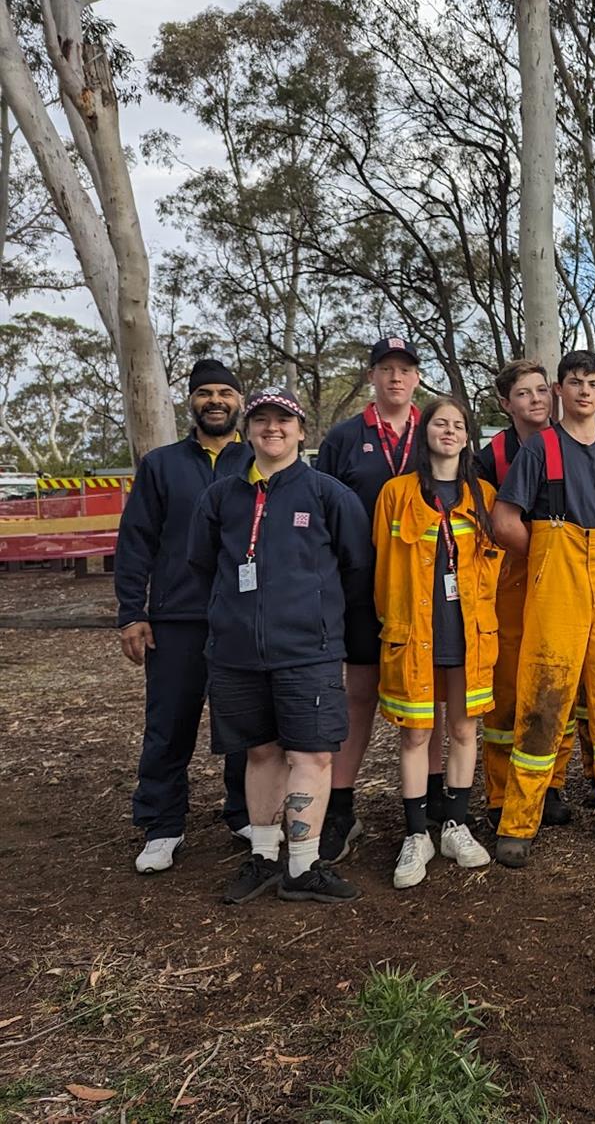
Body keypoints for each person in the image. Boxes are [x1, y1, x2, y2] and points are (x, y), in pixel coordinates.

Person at [189, 387, 370, 905]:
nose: (273, 428)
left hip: (307, 653)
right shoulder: (221, 498)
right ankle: (264, 857)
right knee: (261, 752)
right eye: (262, 419)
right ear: (248, 430)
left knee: (310, 754)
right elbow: (204, 567)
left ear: (301, 430)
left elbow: (356, 569)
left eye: (283, 420)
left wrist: (314, 619)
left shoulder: (328, 495)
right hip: (236, 653)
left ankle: (304, 865)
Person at [489, 350, 595, 862]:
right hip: (556, 575)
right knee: (545, 690)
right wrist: (550, 555)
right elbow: (504, 521)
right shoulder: (540, 449)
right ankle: (520, 819)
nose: (584, 391)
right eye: (574, 382)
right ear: (559, 391)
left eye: (592, 383)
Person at [118, 358, 252, 873]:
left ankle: (243, 812)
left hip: (243, 618)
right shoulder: (161, 465)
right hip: (176, 617)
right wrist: (132, 613)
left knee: (245, 723)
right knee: (169, 724)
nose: (215, 400)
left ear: (239, 402)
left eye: (225, 392)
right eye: (205, 394)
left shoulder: (258, 461)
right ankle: (162, 824)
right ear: (191, 402)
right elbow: (135, 543)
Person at [372, 398, 500, 889]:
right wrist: (396, 622)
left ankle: (456, 824)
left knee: (465, 731)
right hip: (415, 633)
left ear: (469, 436)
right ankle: (416, 832)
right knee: (417, 734)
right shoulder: (396, 493)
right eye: (440, 423)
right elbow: (383, 567)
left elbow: (493, 566)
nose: (449, 431)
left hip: (468, 631)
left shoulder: (483, 494)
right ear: (424, 433)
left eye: (458, 425)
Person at [313, 336, 426, 863]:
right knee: (359, 694)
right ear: (372, 377)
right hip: (361, 586)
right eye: (386, 369)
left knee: (431, 703)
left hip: (427, 591)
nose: (396, 378)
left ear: (417, 378)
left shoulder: (438, 430)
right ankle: (340, 807)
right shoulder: (343, 438)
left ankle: (434, 811)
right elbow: (321, 515)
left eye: (405, 369)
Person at [473, 360, 552, 828]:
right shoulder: (490, 457)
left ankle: (551, 786)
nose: (535, 400)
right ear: (506, 404)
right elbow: (488, 525)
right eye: (523, 393)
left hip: (561, 581)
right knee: (505, 687)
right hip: (507, 580)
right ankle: (501, 791)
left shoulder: (573, 443)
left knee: (553, 683)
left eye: (541, 390)